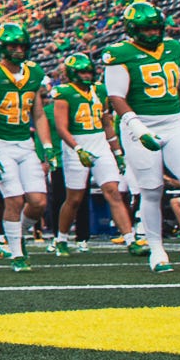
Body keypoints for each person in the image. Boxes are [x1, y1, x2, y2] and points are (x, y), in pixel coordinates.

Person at [105, 0, 180, 273]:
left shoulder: (173, 48)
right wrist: (138, 128)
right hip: (139, 124)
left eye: (156, 28)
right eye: (147, 29)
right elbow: (116, 97)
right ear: (133, 29)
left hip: (175, 122)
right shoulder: (120, 53)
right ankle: (157, 250)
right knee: (152, 190)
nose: (153, 33)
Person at [0, 23, 53, 273]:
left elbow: (38, 114)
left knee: (38, 202)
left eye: (21, 46)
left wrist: (46, 146)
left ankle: (14, 237)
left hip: (24, 143)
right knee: (14, 198)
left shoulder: (34, 73)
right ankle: (17, 254)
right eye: (13, 46)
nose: (18, 50)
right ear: (1, 48)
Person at [49, 54, 133, 254]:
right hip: (76, 144)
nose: (86, 76)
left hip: (100, 143)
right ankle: (61, 238)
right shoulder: (64, 92)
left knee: (113, 191)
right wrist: (77, 148)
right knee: (75, 199)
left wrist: (117, 152)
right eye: (82, 72)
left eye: (88, 71)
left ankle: (131, 239)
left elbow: (107, 124)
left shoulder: (100, 91)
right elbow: (62, 128)